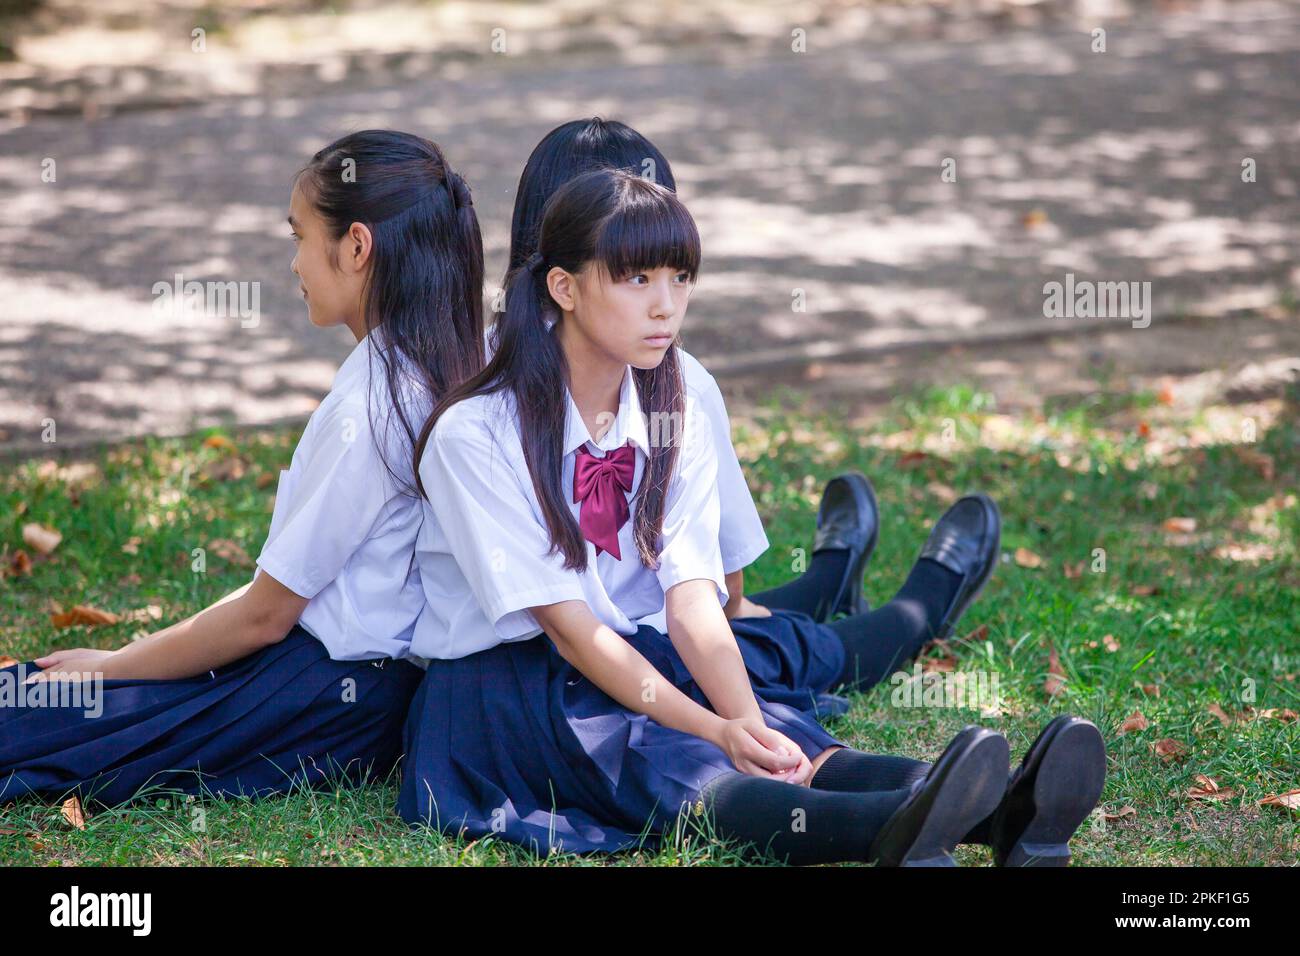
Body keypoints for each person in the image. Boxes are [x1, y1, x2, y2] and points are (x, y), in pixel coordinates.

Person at [398, 167, 1101, 864]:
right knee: (677, 757)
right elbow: (573, 635)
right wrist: (715, 729)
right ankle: (894, 826)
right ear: (565, 287)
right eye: (636, 279)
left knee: (781, 739)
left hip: (629, 650)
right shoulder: (476, 435)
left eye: (680, 278)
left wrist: (744, 721)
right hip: (503, 692)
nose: (665, 306)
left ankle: (1009, 807)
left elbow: (694, 604)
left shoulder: (674, 403)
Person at [0, 130, 482, 806]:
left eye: (299, 238)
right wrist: (129, 659)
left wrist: (112, 666)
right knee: (41, 695)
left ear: (357, 246)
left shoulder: (374, 403)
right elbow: (281, 590)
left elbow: (266, 617)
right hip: (356, 692)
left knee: (45, 726)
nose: (294, 265)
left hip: (327, 697)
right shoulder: (450, 361)